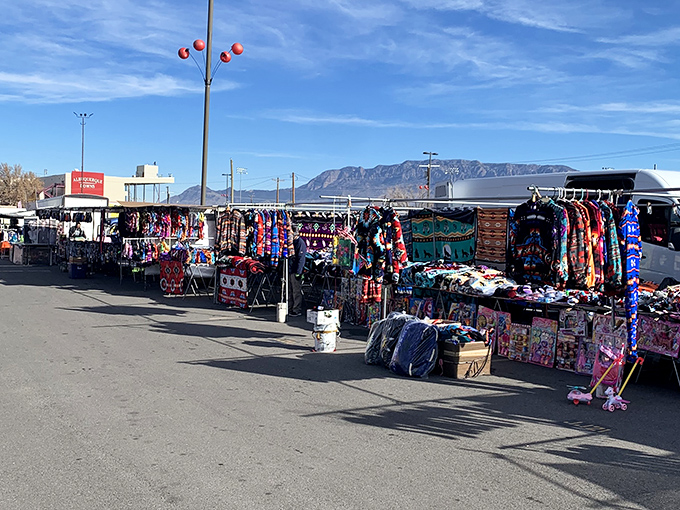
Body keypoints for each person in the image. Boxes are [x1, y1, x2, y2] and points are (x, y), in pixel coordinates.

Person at [288, 224, 307, 316]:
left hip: (295, 270)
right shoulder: (292, 243)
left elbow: (301, 259)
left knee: (296, 291)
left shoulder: (300, 243)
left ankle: (297, 309)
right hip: (290, 269)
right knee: (290, 290)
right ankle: (290, 307)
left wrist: (299, 272)